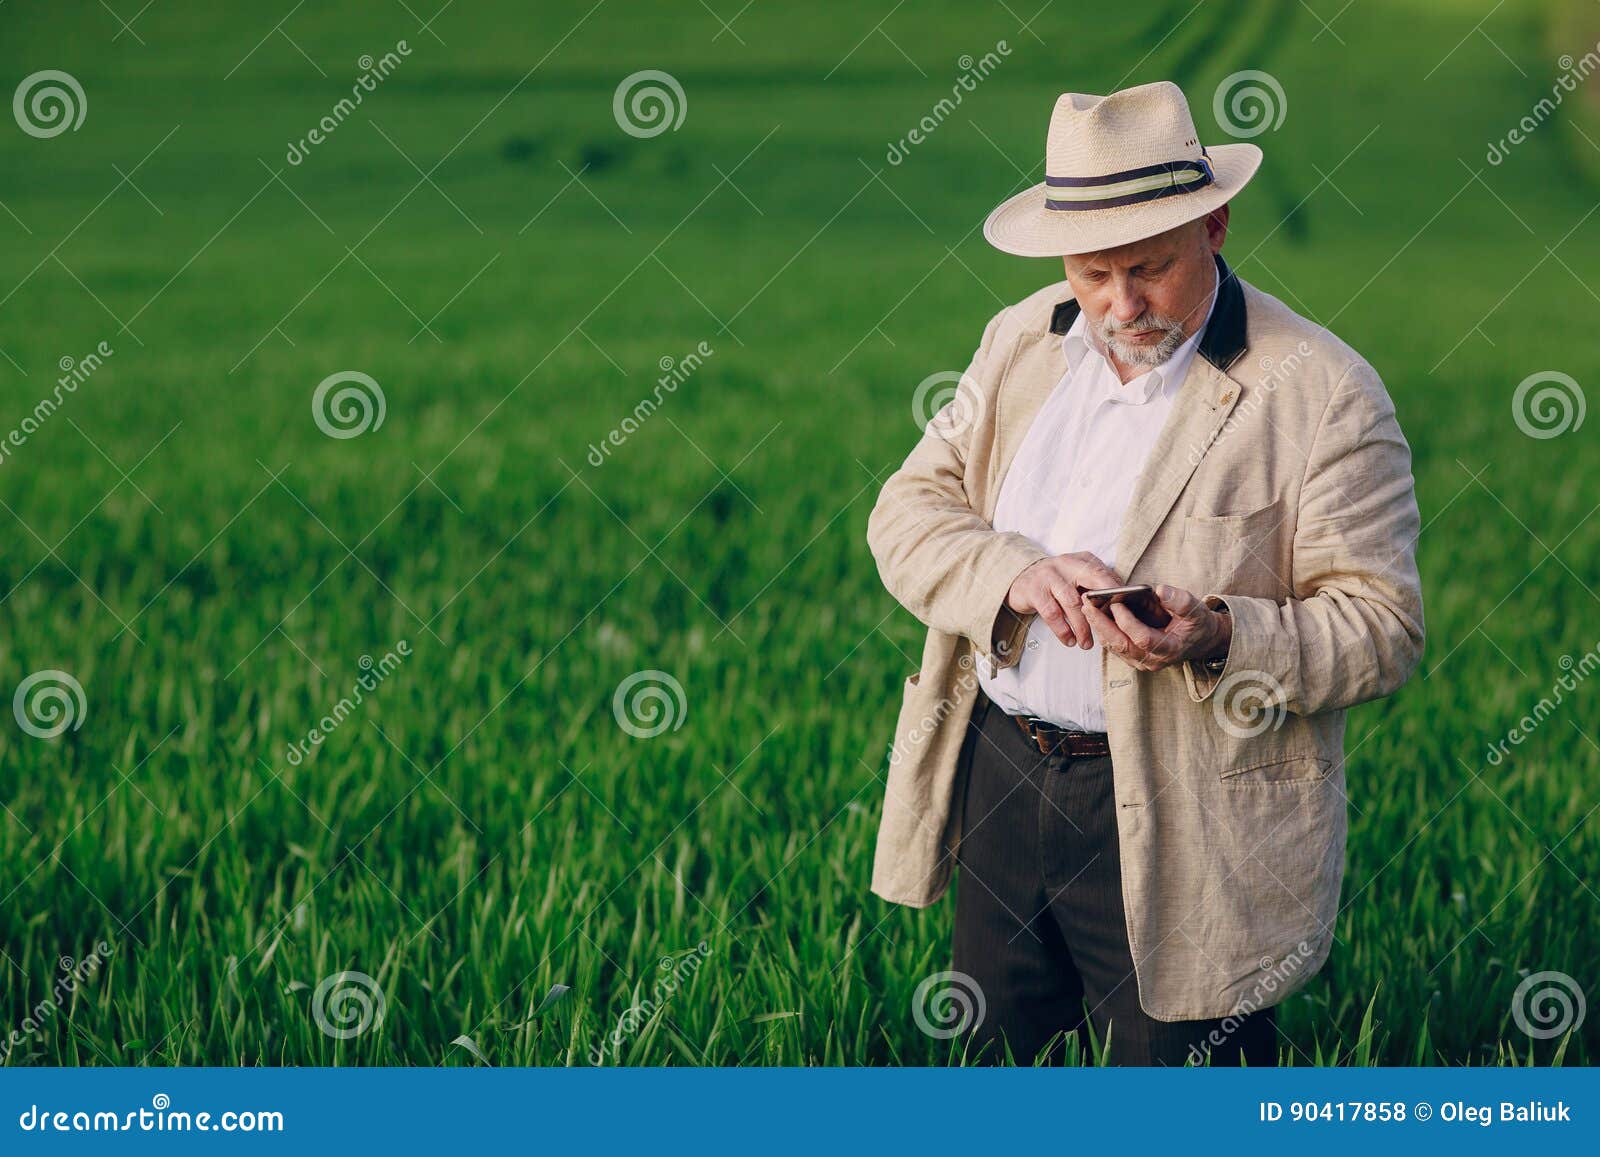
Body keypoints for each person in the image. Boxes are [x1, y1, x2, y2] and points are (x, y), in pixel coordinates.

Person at [866, 80, 1424, 1065]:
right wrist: (1013, 573)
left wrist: (1215, 630)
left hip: (1194, 807)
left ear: (1213, 225)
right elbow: (905, 513)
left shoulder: (1323, 393)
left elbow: (1381, 626)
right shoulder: (1019, 340)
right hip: (999, 774)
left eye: (1149, 268)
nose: (1119, 304)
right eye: (1091, 273)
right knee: (993, 1067)